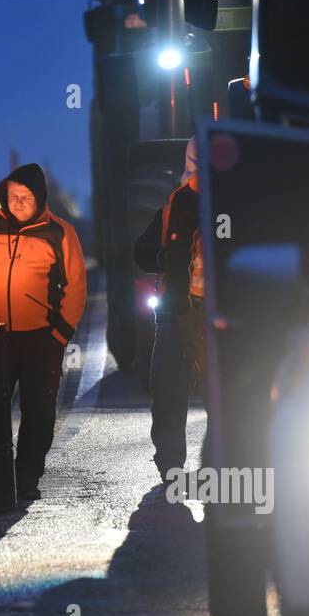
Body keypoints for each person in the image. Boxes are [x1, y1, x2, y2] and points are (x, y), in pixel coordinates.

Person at [0, 163, 87, 501]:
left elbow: (76, 285)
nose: (18, 202)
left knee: (38, 412)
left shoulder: (60, 232)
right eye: (12, 196)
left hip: (42, 338)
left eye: (25, 197)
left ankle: (26, 475)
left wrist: (60, 333)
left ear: (39, 198)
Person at [136, 138, 205, 478]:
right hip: (178, 309)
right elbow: (142, 252)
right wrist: (163, 257)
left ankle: (224, 464)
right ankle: (170, 463)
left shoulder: (239, 201)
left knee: (224, 388)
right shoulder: (172, 208)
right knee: (168, 386)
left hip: (215, 310)